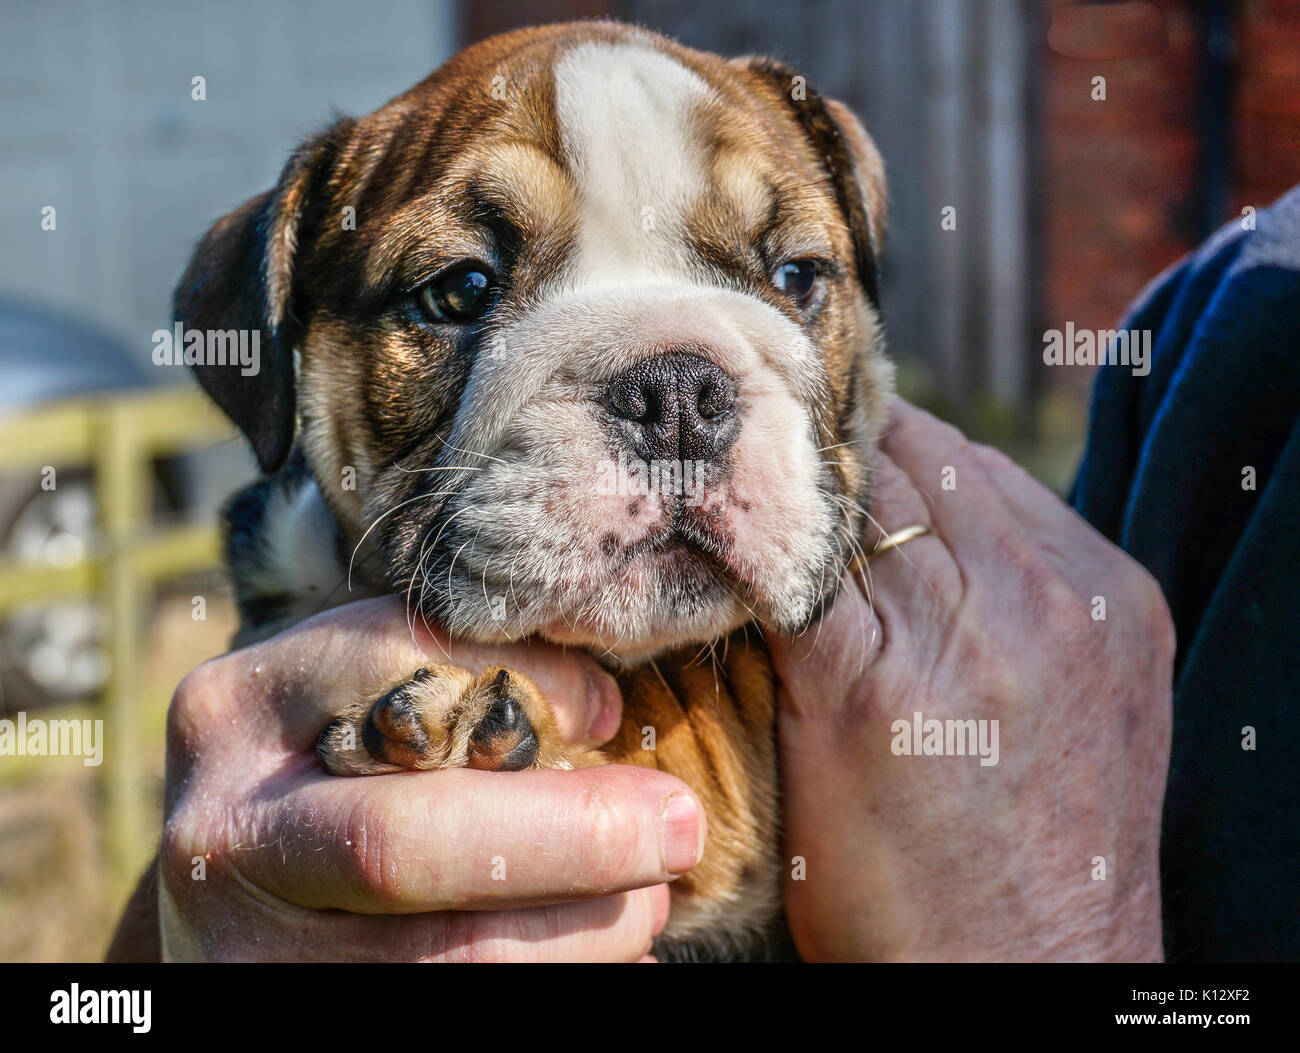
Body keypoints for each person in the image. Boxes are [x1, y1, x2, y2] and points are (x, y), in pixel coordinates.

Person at [108, 188, 1300, 964]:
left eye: (786, 278)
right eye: (465, 293)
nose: (674, 402)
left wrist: (1057, 941)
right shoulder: (1220, 344)